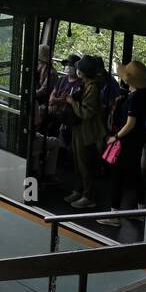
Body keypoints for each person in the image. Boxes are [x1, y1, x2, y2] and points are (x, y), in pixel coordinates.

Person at [98, 59, 146, 225]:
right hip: (136, 142)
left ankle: (114, 214)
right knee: (135, 174)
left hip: (126, 142)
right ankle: (142, 210)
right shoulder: (143, 94)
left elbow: (130, 123)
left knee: (117, 175)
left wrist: (116, 137)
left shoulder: (135, 98)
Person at [64, 55, 105, 208]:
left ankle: (88, 196)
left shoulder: (92, 88)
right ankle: (78, 190)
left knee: (85, 163)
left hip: (86, 132)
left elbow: (86, 113)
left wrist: (72, 102)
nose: (77, 70)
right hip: (79, 129)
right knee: (77, 161)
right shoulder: (86, 84)